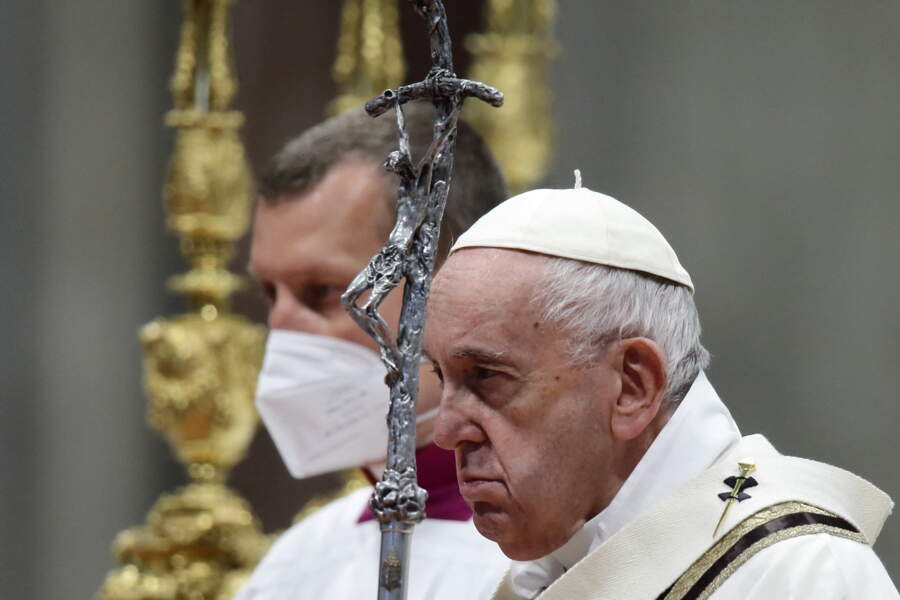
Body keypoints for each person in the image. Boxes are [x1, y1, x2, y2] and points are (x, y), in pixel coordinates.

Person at [423, 180, 898, 599]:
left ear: (633, 387)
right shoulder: (542, 570)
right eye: (442, 379)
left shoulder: (796, 578)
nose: (445, 432)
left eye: (487, 376)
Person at [237, 103, 510, 599]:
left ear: (454, 282)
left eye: (322, 291)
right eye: (270, 295)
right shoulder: (294, 566)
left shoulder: (559, 562)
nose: (282, 334)